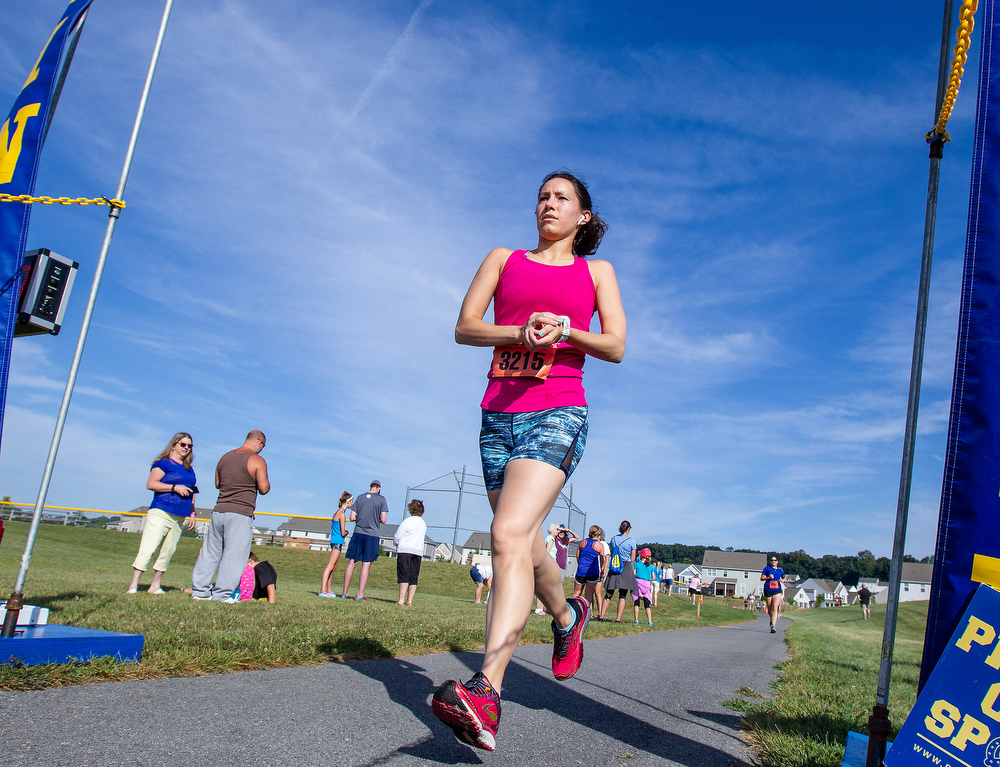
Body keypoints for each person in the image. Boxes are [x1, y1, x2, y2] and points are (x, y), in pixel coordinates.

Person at [431, 171, 626, 752]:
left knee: (506, 532)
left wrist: (566, 332)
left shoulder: (596, 273)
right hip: (498, 412)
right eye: (543, 196)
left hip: (559, 408)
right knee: (525, 542)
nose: (548, 204)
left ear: (582, 216)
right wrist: (520, 330)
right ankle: (567, 618)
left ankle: (486, 692)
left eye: (561, 198)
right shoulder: (503, 258)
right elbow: (465, 327)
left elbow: (615, 344)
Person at [191, 431, 270, 601]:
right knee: (234, 555)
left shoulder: (224, 457)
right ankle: (222, 594)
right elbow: (264, 489)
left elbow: (218, 483)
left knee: (210, 553)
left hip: (219, 510)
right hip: (240, 513)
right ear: (260, 443)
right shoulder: (257, 460)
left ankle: (200, 592)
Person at [128, 433, 198, 594]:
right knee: (149, 547)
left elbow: (192, 491)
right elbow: (151, 484)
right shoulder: (163, 463)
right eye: (183, 444)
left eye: (189, 446)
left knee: (168, 551)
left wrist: (192, 513)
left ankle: (155, 585)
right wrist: (174, 487)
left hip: (180, 514)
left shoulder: (189, 470)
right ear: (174, 445)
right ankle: (133, 585)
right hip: (161, 510)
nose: (186, 448)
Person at [341, 481, 388, 601]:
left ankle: (345, 592)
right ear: (379, 488)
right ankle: (360, 594)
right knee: (366, 563)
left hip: (358, 533)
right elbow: (383, 519)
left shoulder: (360, 497)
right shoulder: (382, 499)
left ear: (369, 487)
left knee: (352, 562)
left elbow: (352, 517)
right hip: (371, 535)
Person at [535, 523, 578, 614]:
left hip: (560, 567)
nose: (560, 532)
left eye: (561, 531)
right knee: (546, 588)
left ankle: (546, 608)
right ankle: (539, 609)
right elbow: (547, 552)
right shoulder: (553, 539)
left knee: (552, 588)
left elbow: (576, 537)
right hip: (552, 566)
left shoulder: (563, 541)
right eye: (558, 530)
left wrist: (568, 531)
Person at [600, 521, 637, 622]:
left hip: (615, 565)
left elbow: (611, 551)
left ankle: (601, 616)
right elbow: (633, 558)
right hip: (626, 566)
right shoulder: (632, 541)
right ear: (629, 528)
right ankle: (618, 618)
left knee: (609, 592)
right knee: (623, 594)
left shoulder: (614, 539)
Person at [394, 499, 427, 605]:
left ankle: (401, 599)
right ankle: (410, 600)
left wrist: (396, 543)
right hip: (417, 551)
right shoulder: (423, 524)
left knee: (404, 574)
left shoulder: (407, 521)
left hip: (405, 550)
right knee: (413, 576)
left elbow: (398, 536)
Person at [320, 492, 353, 597]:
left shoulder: (337, 512)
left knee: (333, 567)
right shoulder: (341, 514)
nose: (352, 504)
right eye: (351, 502)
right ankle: (322, 590)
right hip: (337, 542)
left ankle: (329, 590)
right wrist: (347, 532)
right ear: (347, 502)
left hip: (337, 542)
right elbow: (343, 532)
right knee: (330, 566)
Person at [572, 525, 608, 619]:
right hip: (593, 572)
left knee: (576, 593)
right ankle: (586, 614)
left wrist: (580, 564)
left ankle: (572, 612)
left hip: (581, 571)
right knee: (588, 594)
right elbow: (602, 559)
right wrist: (602, 570)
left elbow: (578, 554)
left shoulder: (583, 542)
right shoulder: (599, 545)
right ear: (598, 534)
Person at [761, 555, 788, 633]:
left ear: (777, 562)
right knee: (769, 607)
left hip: (777, 590)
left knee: (775, 607)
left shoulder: (780, 570)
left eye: (775, 560)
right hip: (768, 589)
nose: (773, 561)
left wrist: (784, 580)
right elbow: (762, 578)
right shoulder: (767, 569)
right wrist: (768, 578)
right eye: (772, 560)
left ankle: (773, 626)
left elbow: (785, 578)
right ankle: (771, 619)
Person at [633, 549, 654, 626]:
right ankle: (649, 621)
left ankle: (636, 620)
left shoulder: (637, 565)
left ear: (641, 556)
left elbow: (633, 574)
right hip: (646, 586)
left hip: (638, 585)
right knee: (647, 605)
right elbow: (653, 577)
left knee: (636, 603)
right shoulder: (651, 566)